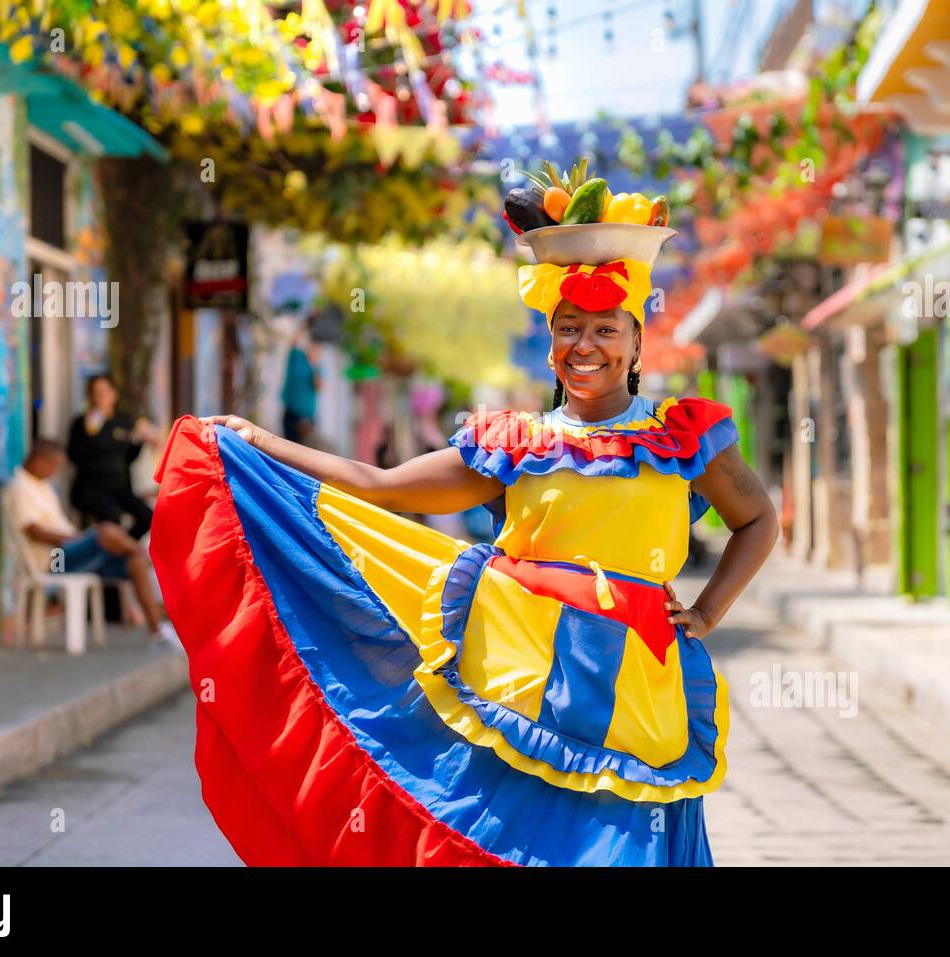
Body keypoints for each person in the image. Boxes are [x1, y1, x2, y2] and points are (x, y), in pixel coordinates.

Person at [149, 211, 778, 867]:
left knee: (621, 840)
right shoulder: (519, 442)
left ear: (637, 343)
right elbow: (383, 484)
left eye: (603, 329)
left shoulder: (683, 437)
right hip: (524, 668)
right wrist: (262, 442)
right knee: (521, 837)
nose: (585, 344)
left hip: (639, 682)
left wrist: (707, 610)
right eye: (568, 328)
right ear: (550, 345)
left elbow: (757, 518)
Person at [7, 438, 181, 653]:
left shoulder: (42, 486)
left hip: (70, 553)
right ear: (39, 460)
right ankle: (148, 557)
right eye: (53, 466)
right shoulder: (20, 487)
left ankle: (159, 634)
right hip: (54, 560)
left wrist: (79, 539)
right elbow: (36, 532)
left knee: (133, 563)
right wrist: (76, 539)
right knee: (106, 531)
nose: (54, 471)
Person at [66, 374, 157, 540]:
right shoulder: (82, 423)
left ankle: (121, 552)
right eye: (96, 392)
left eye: (105, 392)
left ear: (114, 394)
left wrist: (139, 442)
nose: (101, 397)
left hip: (119, 486)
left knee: (148, 517)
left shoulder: (123, 421)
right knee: (112, 518)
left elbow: (128, 458)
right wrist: (92, 434)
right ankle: (109, 554)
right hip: (91, 487)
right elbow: (74, 455)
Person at [280, 326, 318, 441]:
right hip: (291, 411)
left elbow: (319, 386)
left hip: (305, 416)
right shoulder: (296, 356)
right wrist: (306, 325)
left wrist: (314, 365)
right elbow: (293, 341)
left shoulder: (316, 365)